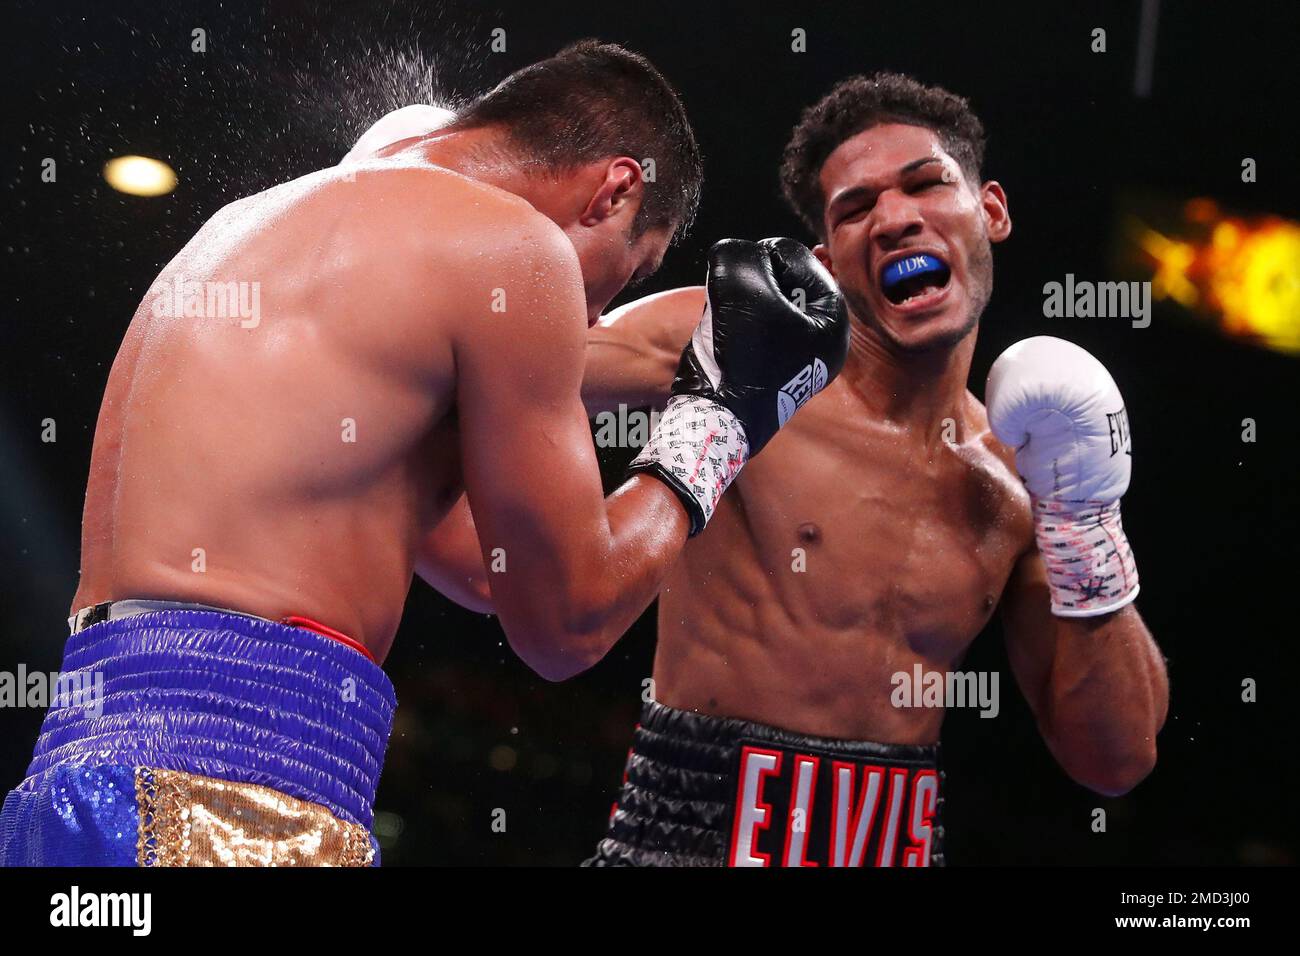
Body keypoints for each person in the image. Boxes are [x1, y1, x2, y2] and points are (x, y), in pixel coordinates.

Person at [0, 41, 847, 867]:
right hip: (235, 798)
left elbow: (494, 571)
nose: (592, 318)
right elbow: (568, 621)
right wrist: (716, 428)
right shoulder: (516, 250)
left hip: (74, 783)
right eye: (627, 273)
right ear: (616, 191)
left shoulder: (240, 232)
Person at [574, 72, 1169, 866]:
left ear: (990, 211)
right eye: (856, 208)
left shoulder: (1021, 479)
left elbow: (1116, 759)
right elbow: (499, 361)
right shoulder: (735, 345)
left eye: (926, 184)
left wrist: (1089, 523)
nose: (893, 219)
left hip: (901, 842)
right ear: (827, 258)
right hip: (695, 832)